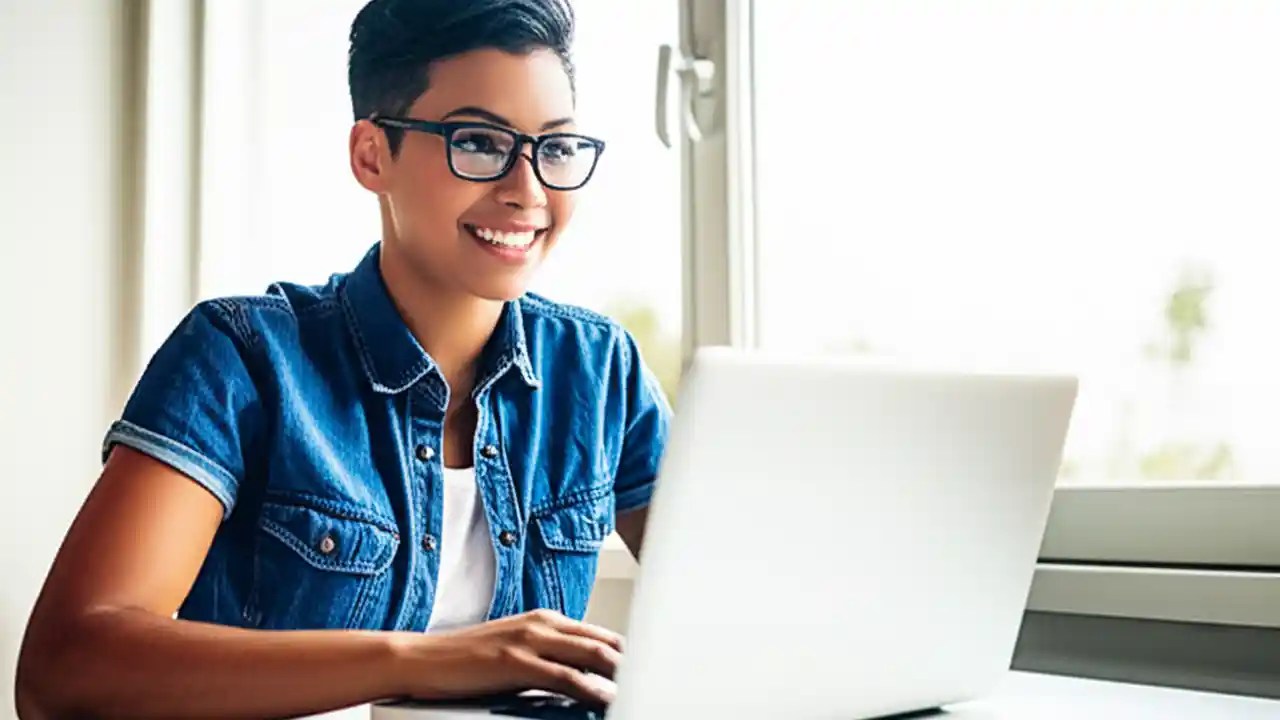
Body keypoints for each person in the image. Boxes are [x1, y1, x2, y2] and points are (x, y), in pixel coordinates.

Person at [15, 0, 670, 716]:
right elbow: (64, 670)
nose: (528, 191)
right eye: (479, 143)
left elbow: (740, 609)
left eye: (556, 147)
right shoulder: (242, 356)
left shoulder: (601, 372)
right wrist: (422, 661)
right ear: (372, 155)